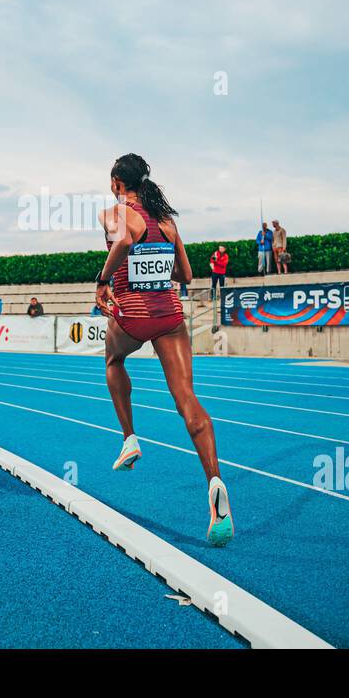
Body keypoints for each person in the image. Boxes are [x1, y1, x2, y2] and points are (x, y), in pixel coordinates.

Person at [95, 153, 232, 546]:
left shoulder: (113, 213)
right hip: (170, 317)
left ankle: (129, 438)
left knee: (114, 358)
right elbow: (186, 275)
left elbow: (121, 240)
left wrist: (103, 279)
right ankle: (215, 482)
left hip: (134, 316)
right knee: (187, 398)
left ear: (119, 183)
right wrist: (155, 261)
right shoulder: (167, 222)